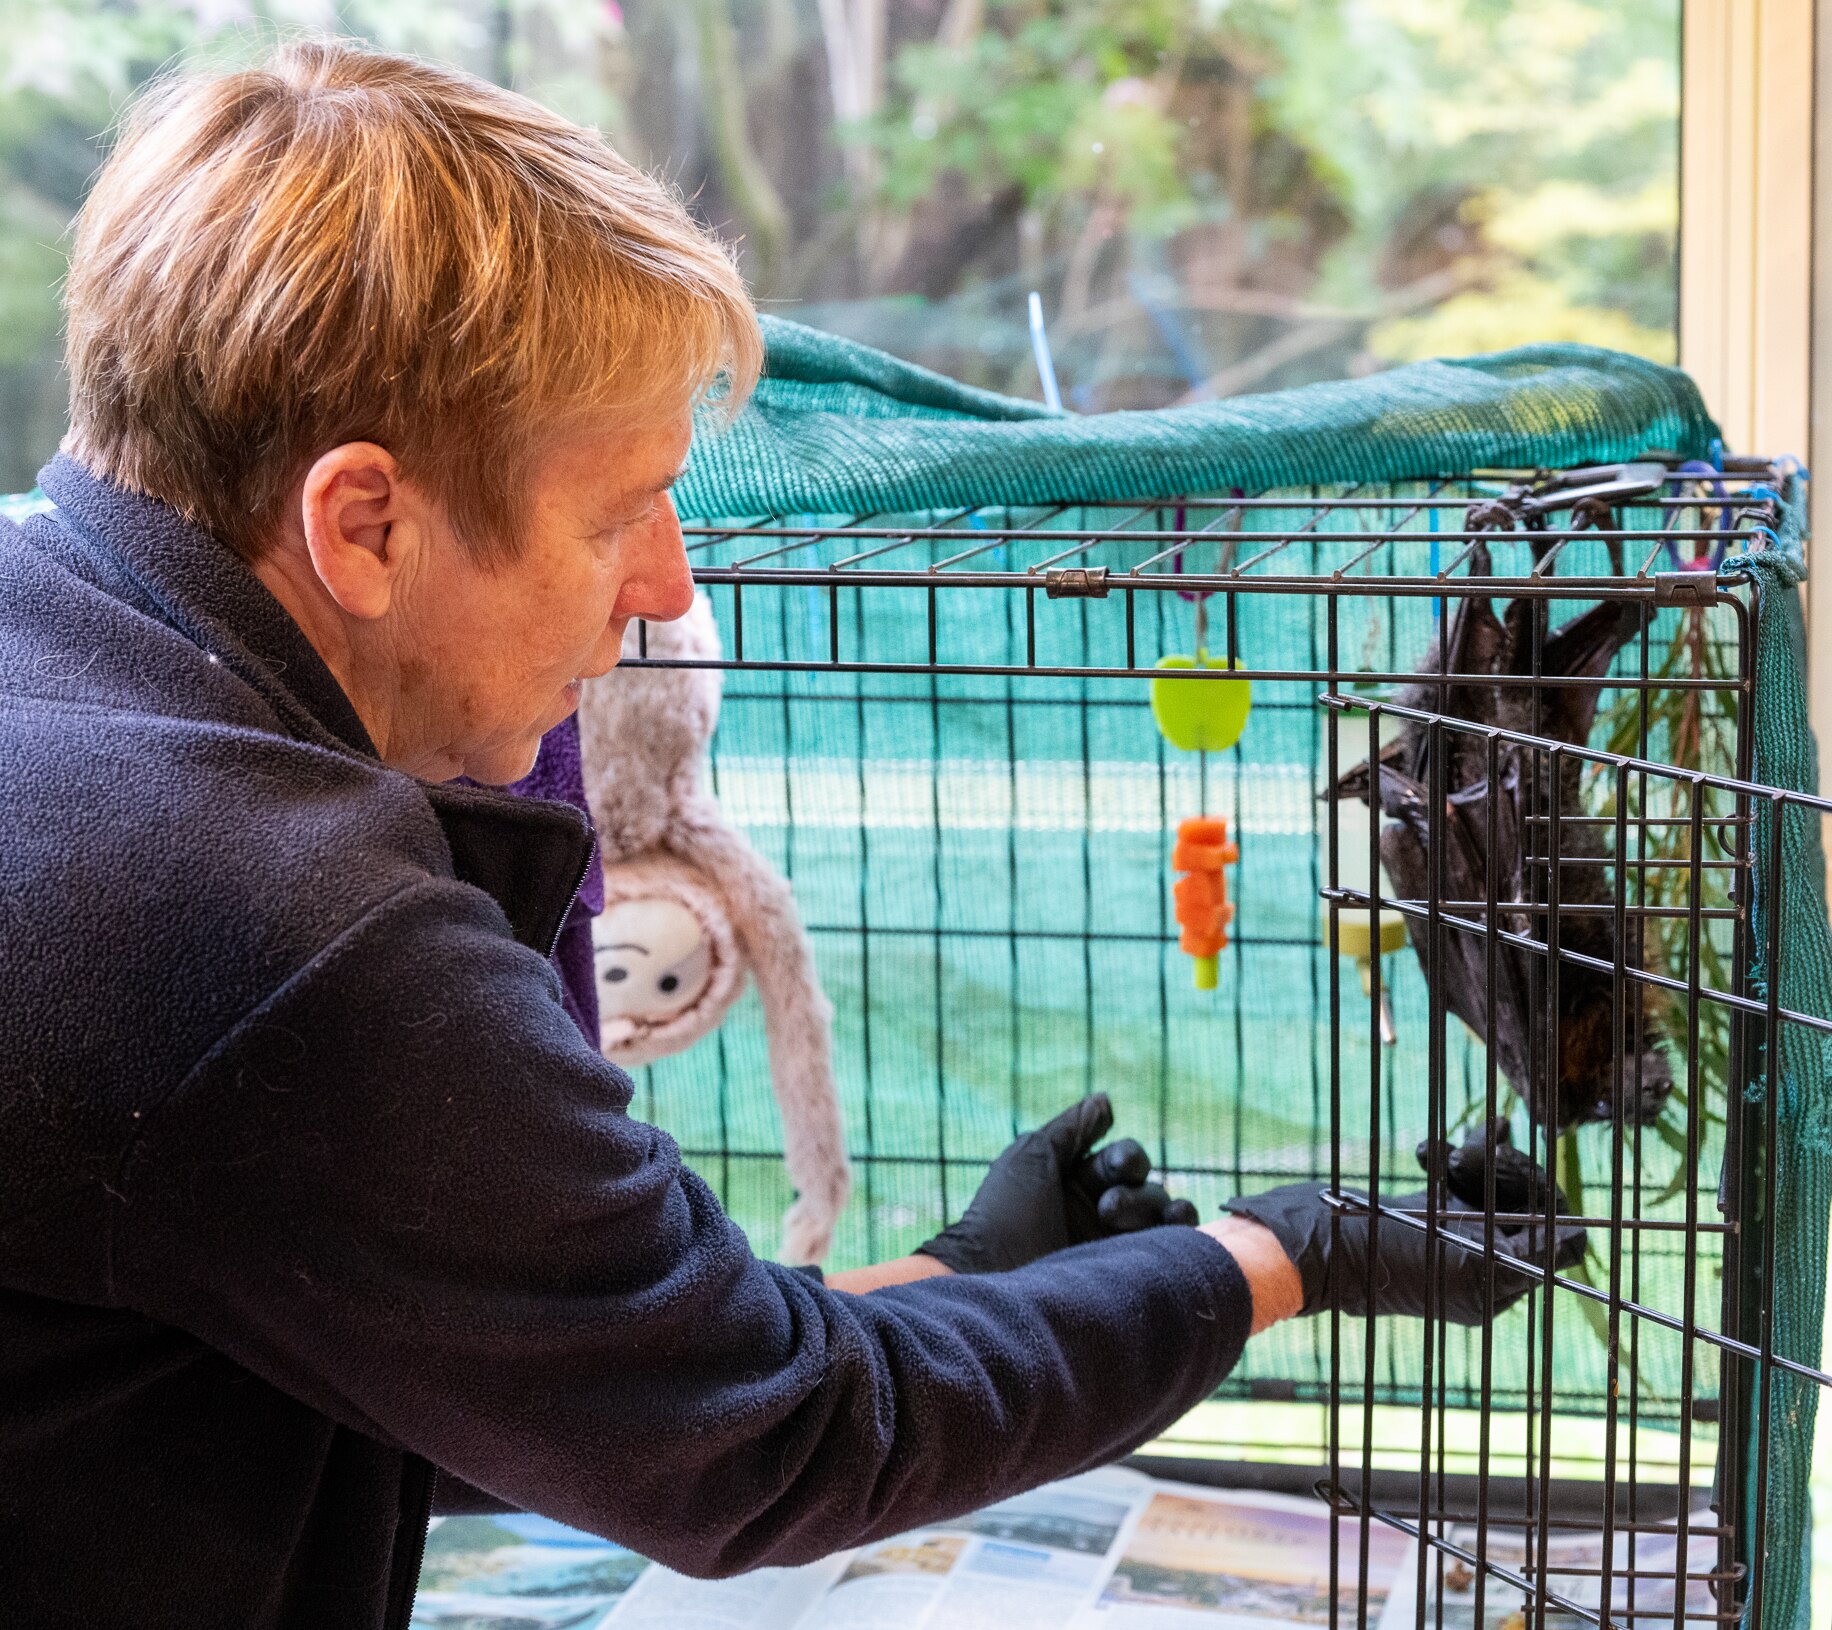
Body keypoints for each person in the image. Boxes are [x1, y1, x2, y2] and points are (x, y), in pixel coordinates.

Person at [0, 43, 1553, 1630]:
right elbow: (777, 1441)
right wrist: (1277, 1253)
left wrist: (957, 1275)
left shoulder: (47, 657)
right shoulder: (274, 917)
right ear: (365, 524)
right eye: (615, 513)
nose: (667, 585)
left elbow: (507, 1367)